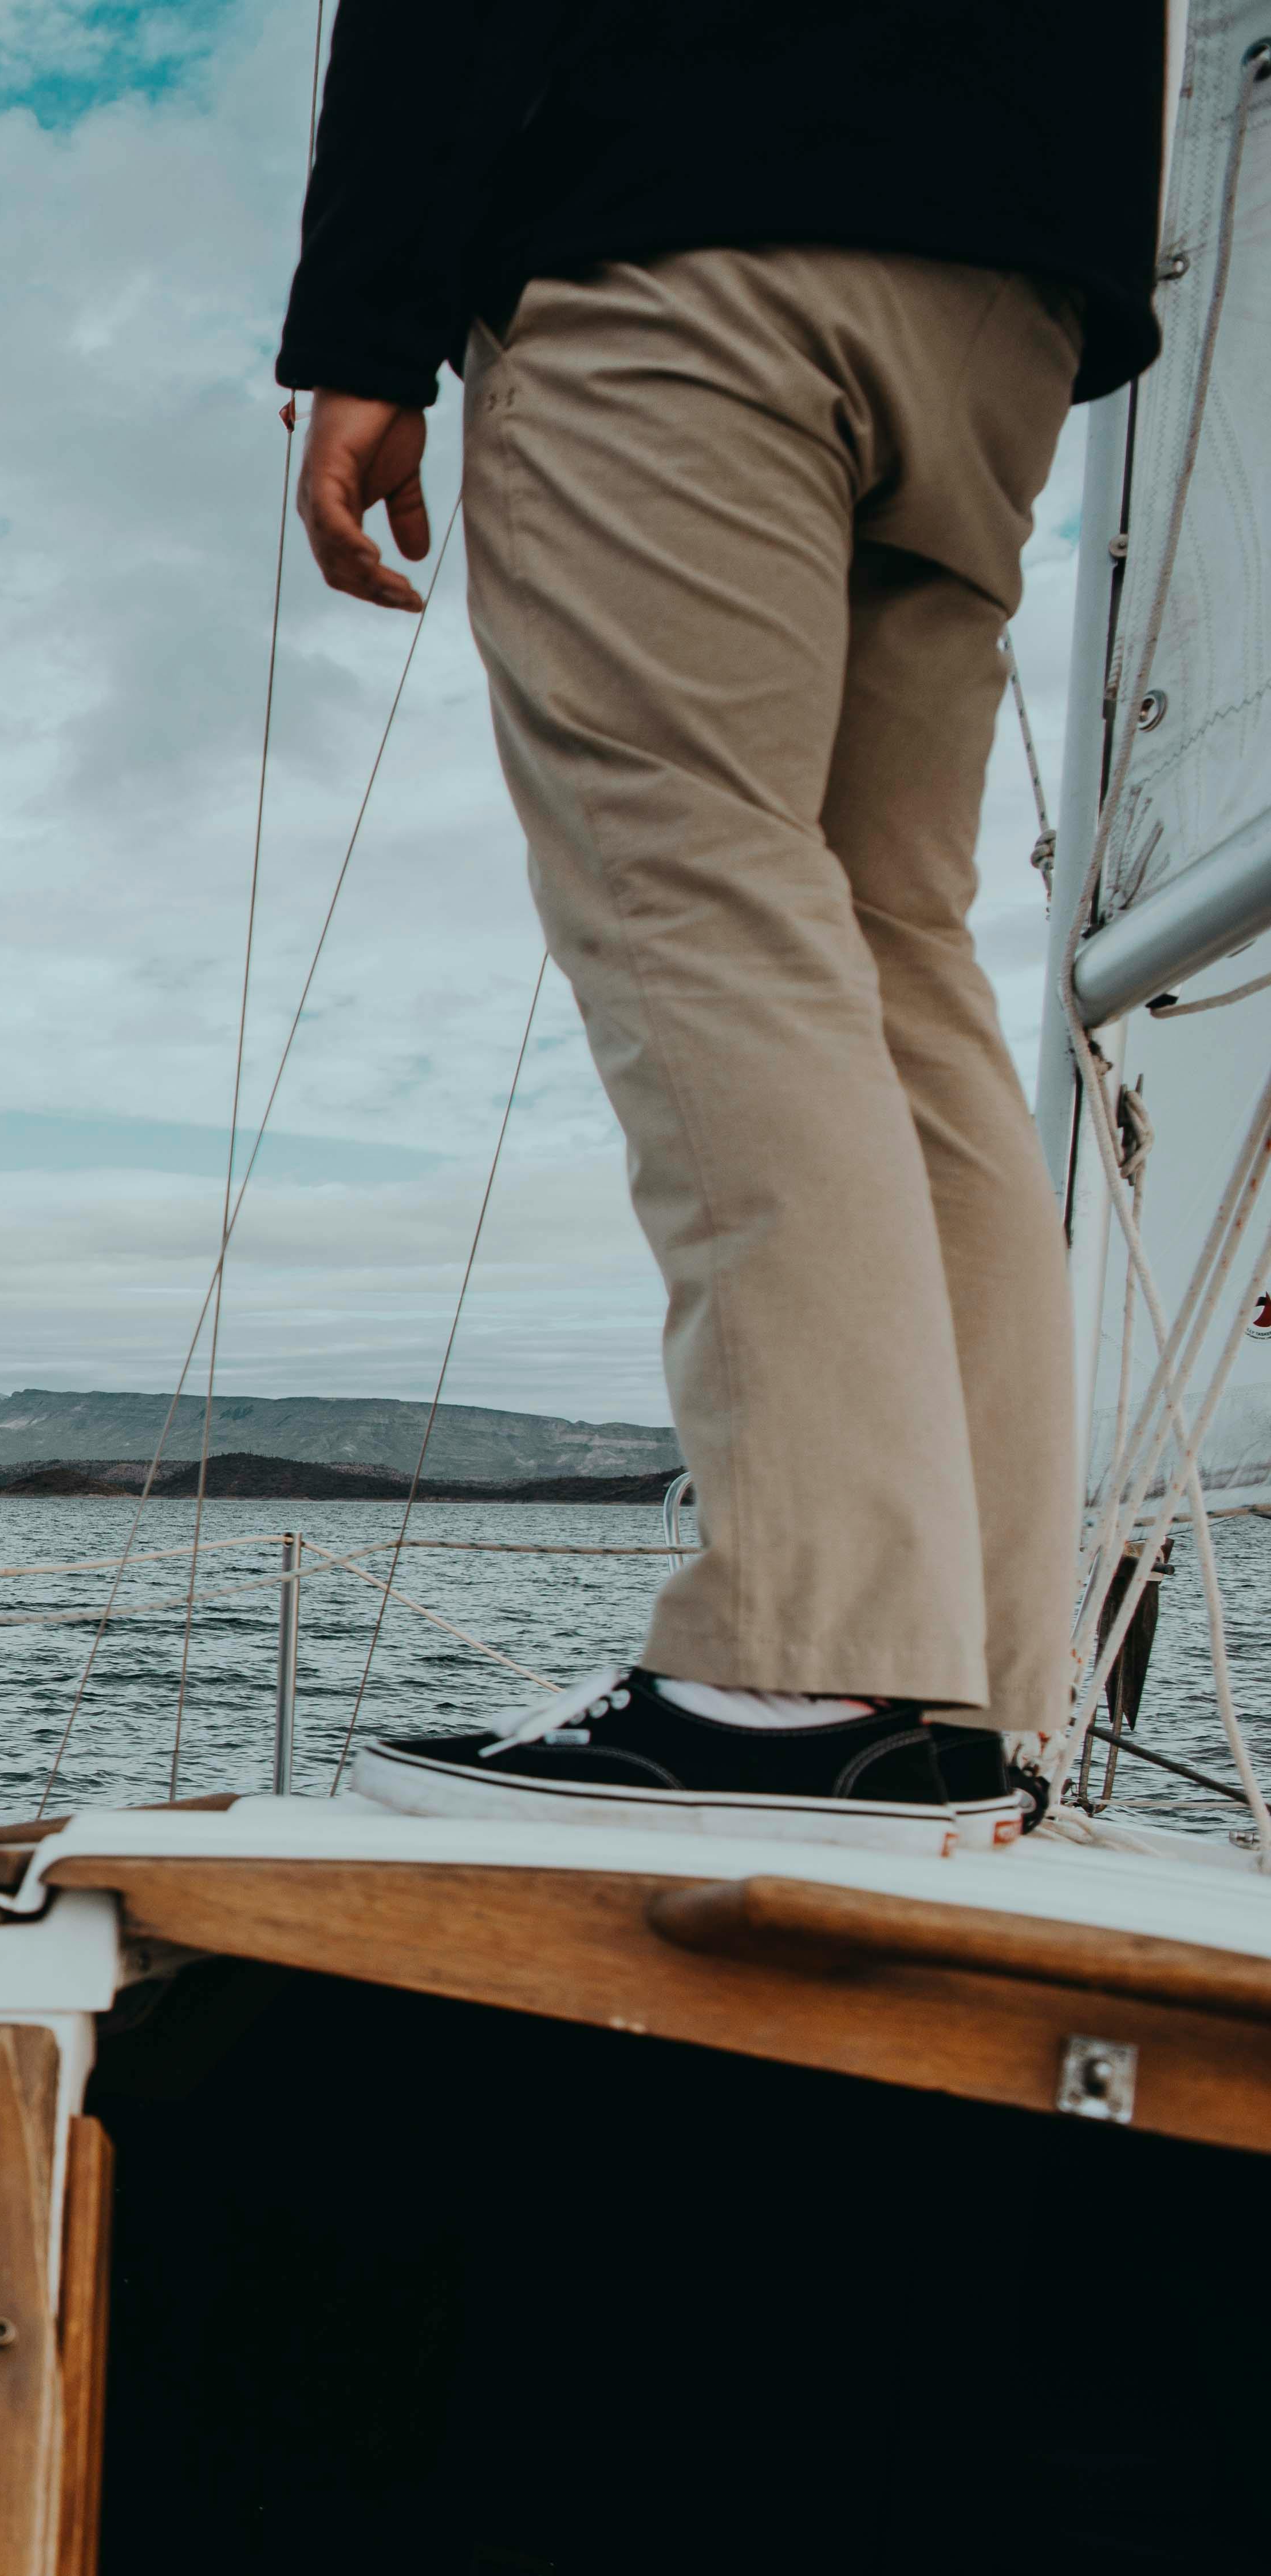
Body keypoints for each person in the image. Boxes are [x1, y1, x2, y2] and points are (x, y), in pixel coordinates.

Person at [278, 0, 1167, 1851]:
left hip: (679, 215)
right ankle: (959, 1694)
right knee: (896, 948)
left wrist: (369, 324)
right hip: (1016, 274)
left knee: (700, 896)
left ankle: (808, 1670)